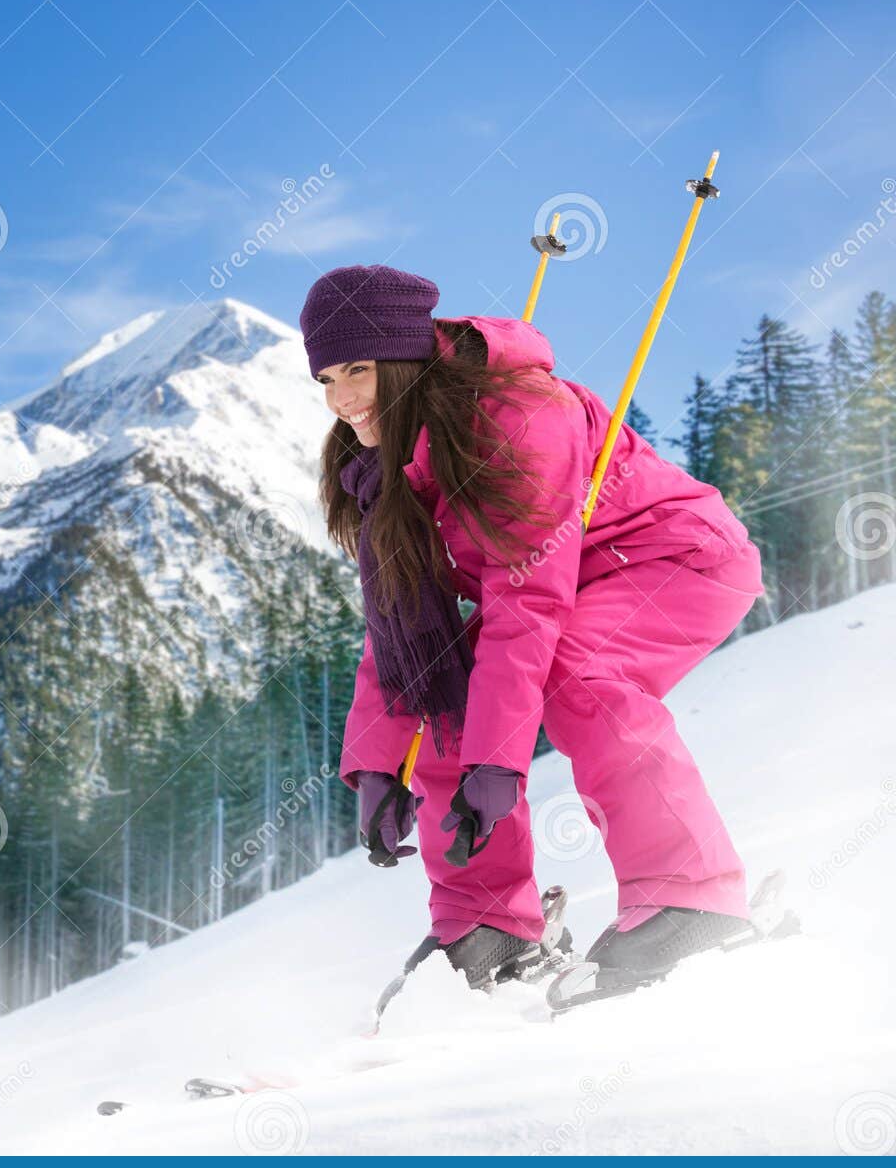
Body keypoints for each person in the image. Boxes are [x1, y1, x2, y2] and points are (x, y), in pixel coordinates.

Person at [298, 262, 765, 1004]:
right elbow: (399, 635)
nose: (342, 398)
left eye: (358, 368)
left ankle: (692, 901)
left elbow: (526, 604)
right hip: (559, 584)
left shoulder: (516, 416)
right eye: (324, 378)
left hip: (671, 556)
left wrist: (499, 765)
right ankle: (486, 926)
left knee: (579, 678)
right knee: (447, 696)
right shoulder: (377, 465)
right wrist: (379, 767)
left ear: (405, 357)